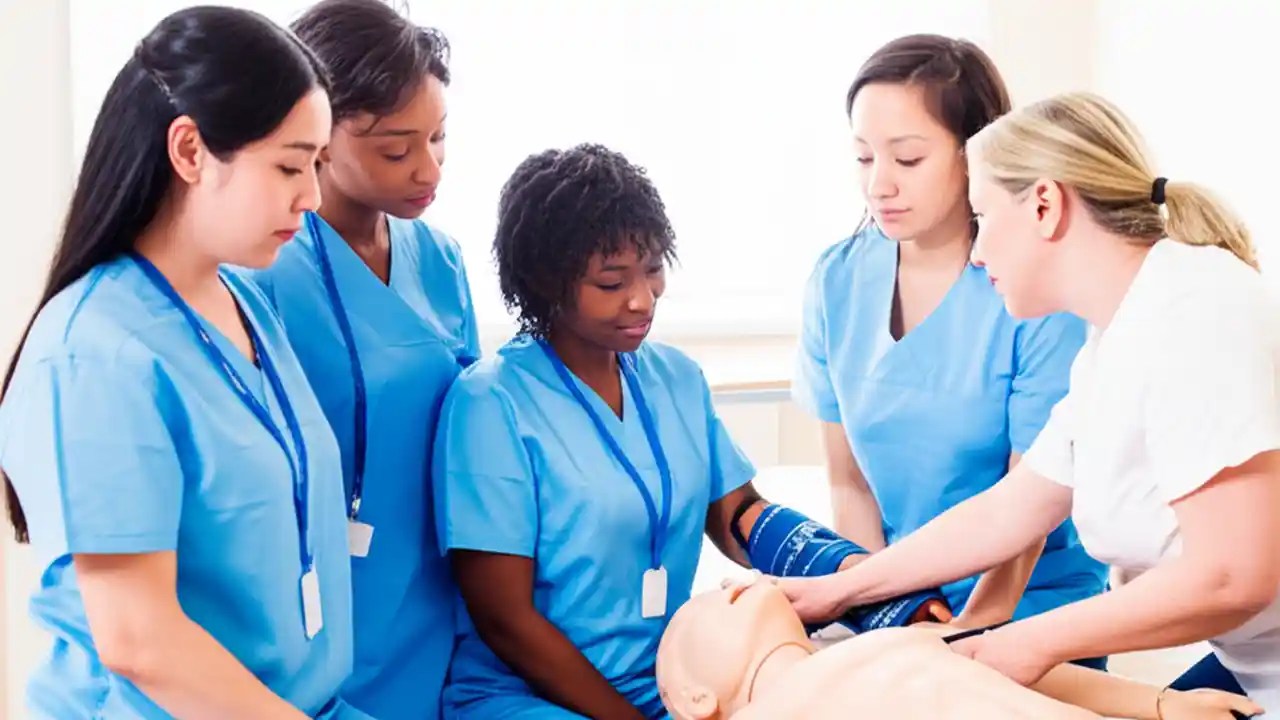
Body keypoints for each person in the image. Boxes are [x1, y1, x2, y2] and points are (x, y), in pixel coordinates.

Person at [780, 91, 1280, 716]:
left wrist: (1024, 642)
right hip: (1253, 663)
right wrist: (838, 590)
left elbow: (1234, 574)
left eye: (984, 217)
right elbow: (1008, 512)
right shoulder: (1111, 340)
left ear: (1045, 205)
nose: (979, 250)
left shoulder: (1197, 310)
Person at [432, 144, 954, 720]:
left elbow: (740, 517)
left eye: (652, 268)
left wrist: (872, 590)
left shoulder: (674, 378)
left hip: (669, 680)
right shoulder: (491, 403)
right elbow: (505, 620)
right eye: (611, 282)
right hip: (526, 697)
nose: (642, 298)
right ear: (545, 283)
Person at [0, 7, 370, 718]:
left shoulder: (243, 302)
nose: (313, 197)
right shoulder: (94, 355)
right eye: (291, 165)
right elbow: (141, 642)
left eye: (317, 166)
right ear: (191, 151)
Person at [793, 34, 1106, 633]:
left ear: (975, 153)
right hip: (897, 591)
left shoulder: (1036, 294)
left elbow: (1027, 512)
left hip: (1030, 604)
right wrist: (884, 614)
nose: (878, 184)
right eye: (864, 157)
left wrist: (964, 633)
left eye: (907, 159)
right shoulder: (838, 281)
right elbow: (848, 483)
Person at [248, 1, 478, 717]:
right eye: (395, 148)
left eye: (439, 138)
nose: (428, 168)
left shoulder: (440, 259)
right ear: (317, 133)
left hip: (439, 591)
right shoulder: (261, 272)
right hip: (315, 599)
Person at [656, 581, 1261, 720]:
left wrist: (1158, 703)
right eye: (705, 606)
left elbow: (1022, 660)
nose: (725, 586)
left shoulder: (890, 642)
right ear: (694, 696)